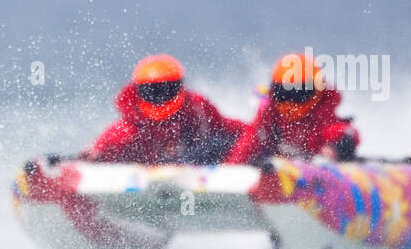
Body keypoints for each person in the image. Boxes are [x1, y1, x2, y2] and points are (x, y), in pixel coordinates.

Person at [79, 54, 247, 163]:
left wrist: (259, 135)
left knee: (220, 143)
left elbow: (229, 128)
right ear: (139, 92)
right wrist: (94, 154)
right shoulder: (129, 128)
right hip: (151, 170)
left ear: (179, 87)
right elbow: (103, 146)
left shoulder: (197, 107)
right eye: (152, 91)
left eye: (166, 89)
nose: (160, 97)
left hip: (197, 163)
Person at [225, 52, 359, 165]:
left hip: (312, 169)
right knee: (229, 139)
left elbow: (345, 131)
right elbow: (251, 137)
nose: (290, 102)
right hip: (273, 165)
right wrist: (231, 169)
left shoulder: (323, 112)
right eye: (284, 94)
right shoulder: (269, 110)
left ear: (316, 91)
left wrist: (337, 146)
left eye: (298, 93)